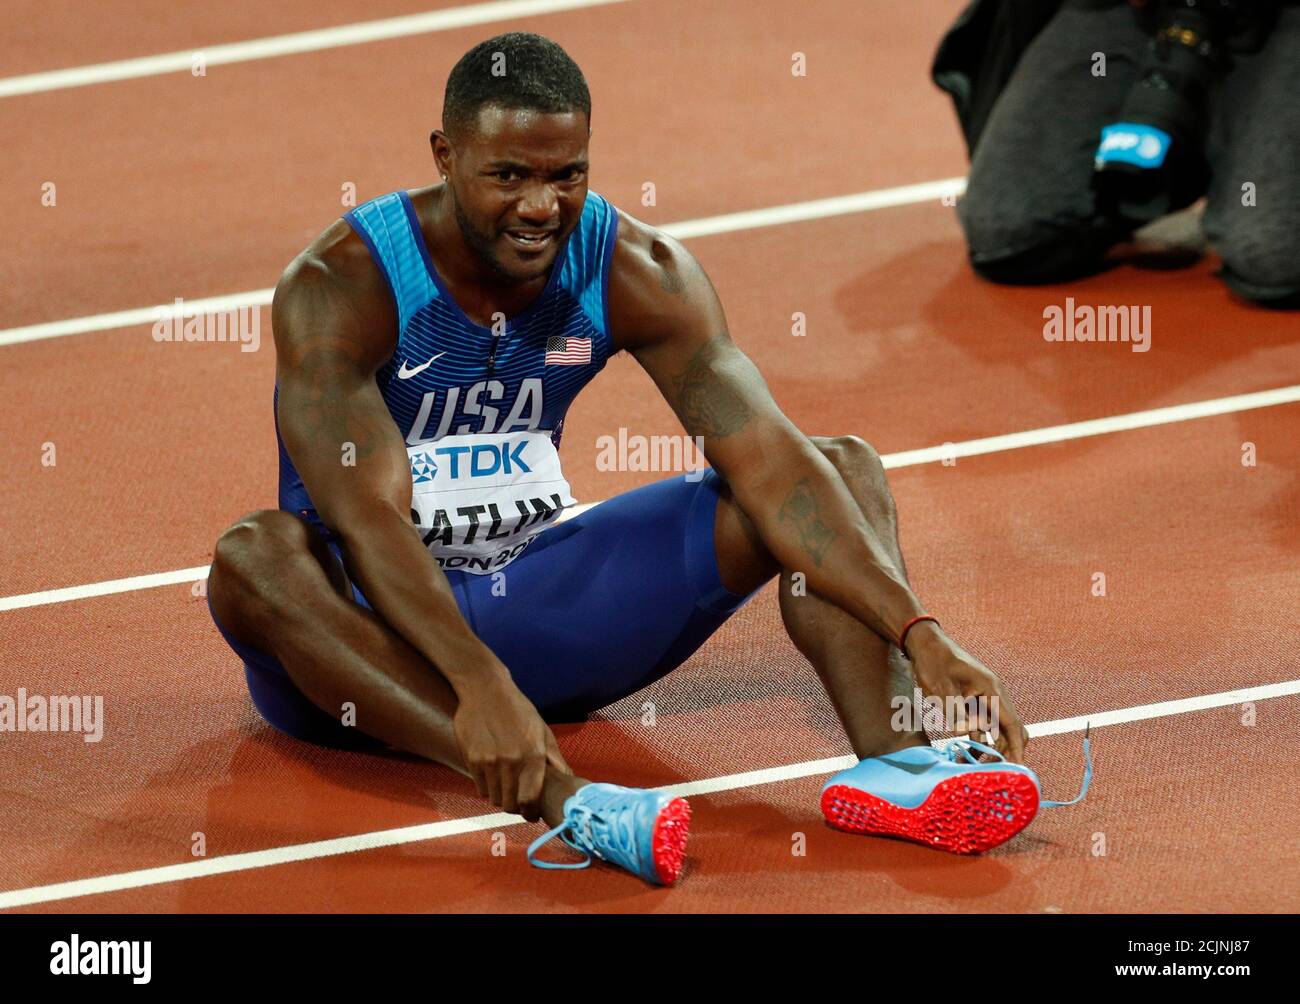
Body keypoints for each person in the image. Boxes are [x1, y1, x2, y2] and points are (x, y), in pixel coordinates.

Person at [206, 32, 1065, 887]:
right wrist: (480, 684)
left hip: (536, 606)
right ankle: (570, 802)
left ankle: (898, 766)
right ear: (445, 154)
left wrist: (918, 629)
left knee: (836, 464)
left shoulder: (634, 268)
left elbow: (773, 465)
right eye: (508, 175)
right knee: (254, 557)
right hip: (361, 657)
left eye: (565, 175)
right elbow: (368, 523)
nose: (540, 206)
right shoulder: (343, 284)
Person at [938, 0, 1300, 305]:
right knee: (1009, 229)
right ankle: (1194, 153)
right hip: (1131, 7)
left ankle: (1244, 154)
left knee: (1273, 257)